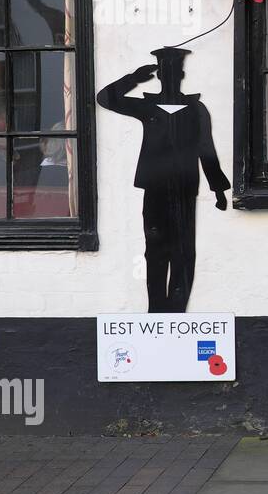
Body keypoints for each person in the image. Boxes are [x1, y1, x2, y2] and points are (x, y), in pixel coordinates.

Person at [97, 47, 229, 313]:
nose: (169, 77)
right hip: (154, 188)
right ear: (160, 77)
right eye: (164, 72)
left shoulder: (196, 109)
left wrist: (218, 189)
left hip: (184, 189)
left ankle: (177, 311)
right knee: (155, 250)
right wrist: (132, 78)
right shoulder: (148, 107)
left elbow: (206, 148)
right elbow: (105, 98)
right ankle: (157, 311)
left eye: (174, 71)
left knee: (183, 250)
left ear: (181, 74)